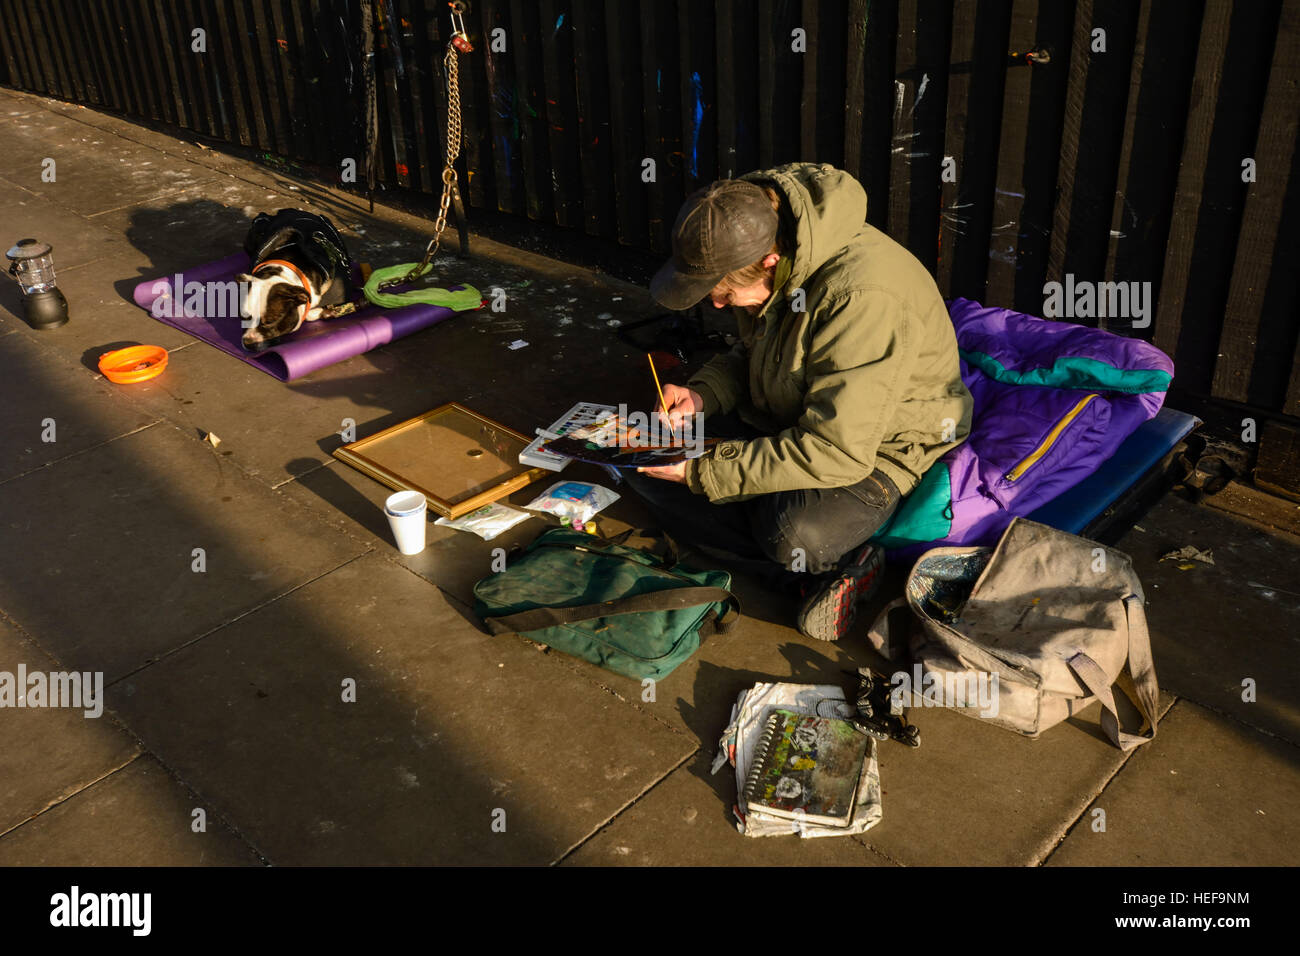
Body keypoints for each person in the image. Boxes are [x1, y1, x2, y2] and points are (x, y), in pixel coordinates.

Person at [626, 161, 973, 642]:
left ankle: (831, 566)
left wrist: (706, 470)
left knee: (795, 534)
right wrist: (703, 395)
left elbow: (837, 450)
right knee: (640, 464)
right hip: (791, 417)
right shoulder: (778, 252)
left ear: (769, 260)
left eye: (725, 295)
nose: (720, 307)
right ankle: (802, 562)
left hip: (879, 448)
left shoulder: (863, 297)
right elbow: (751, 354)